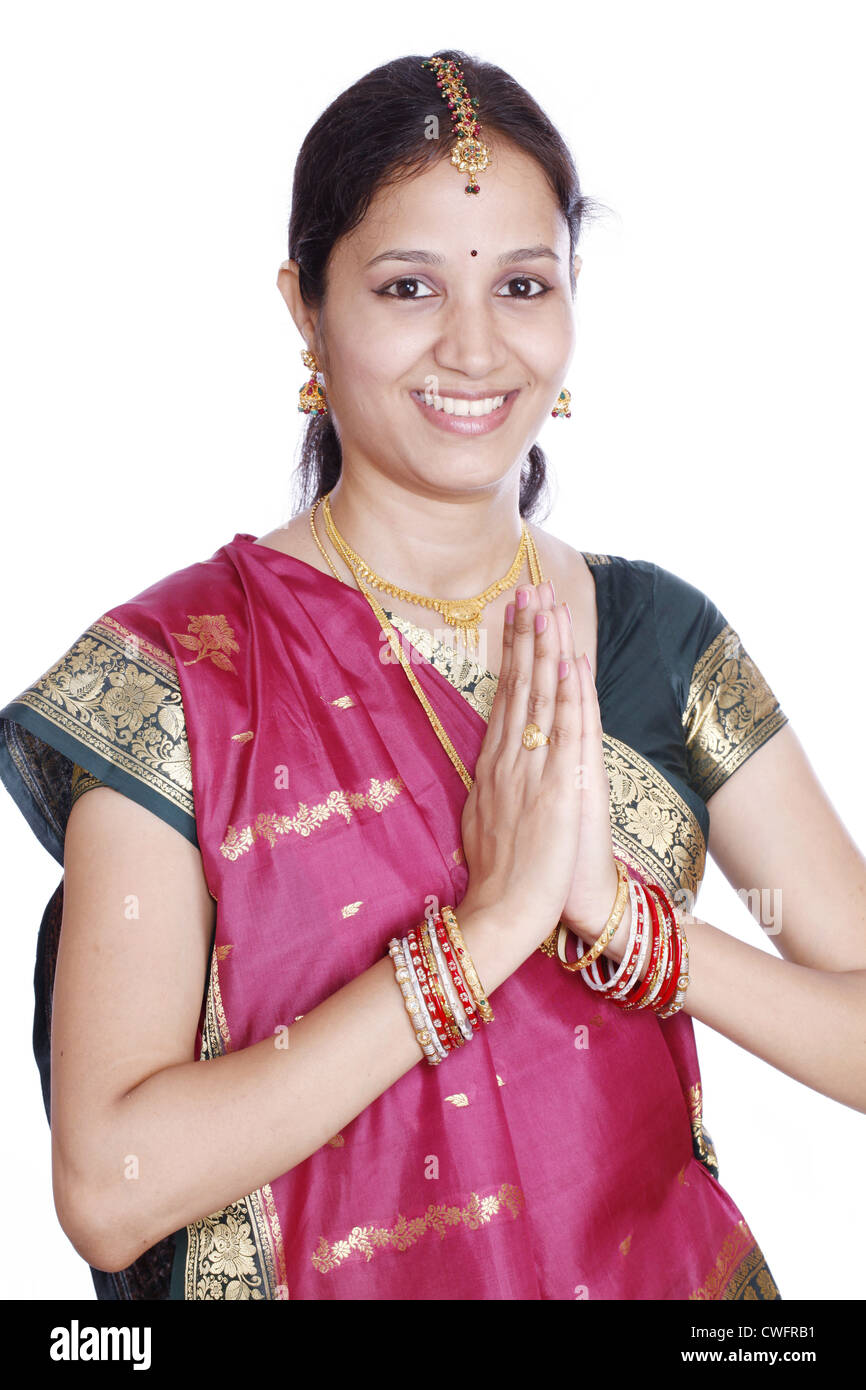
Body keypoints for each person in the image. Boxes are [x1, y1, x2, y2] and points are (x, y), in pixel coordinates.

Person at [2, 48, 864, 1303]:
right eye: (408, 286)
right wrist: (489, 931)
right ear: (304, 307)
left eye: (522, 284)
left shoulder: (657, 639)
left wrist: (635, 931)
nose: (474, 349)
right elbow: (112, 1185)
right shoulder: (182, 677)